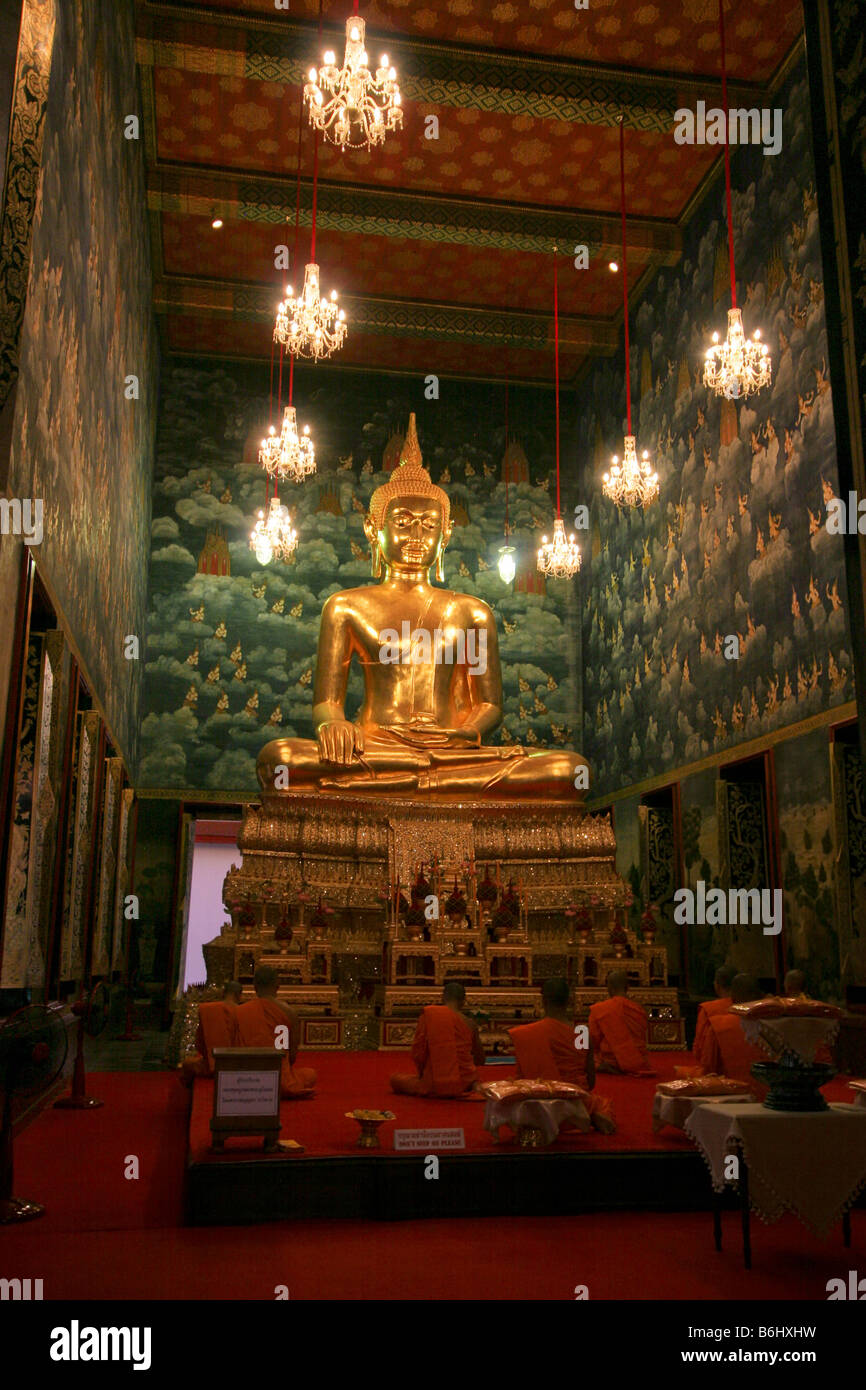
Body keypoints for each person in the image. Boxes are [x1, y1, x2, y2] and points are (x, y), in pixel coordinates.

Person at [510, 978, 615, 1132]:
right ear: (569, 1001)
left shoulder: (527, 1034)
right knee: (599, 1103)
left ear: (543, 1001)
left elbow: (522, 1078)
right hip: (576, 1099)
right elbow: (590, 1082)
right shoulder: (581, 1034)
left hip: (541, 1102)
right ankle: (585, 1114)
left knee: (511, 1097)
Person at [390, 981, 485, 1096]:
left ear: (443, 997)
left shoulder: (431, 1016)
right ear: (463, 1001)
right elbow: (480, 1059)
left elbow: (418, 1053)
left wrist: (424, 1074)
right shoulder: (470, 1024)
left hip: (435, 1081)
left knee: (395, 1080)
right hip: (464, 1082)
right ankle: (472, 1084)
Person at [235, 965, 317, 1098]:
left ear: (254, 986)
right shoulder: (288, 1012)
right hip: (279, 1079)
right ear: (277, 986)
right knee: (310, 1074)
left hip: (246, 1078)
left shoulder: (240, 1012)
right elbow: (291, 1056)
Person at [695, 973, 765, 1087]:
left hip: (734, 1093)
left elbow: (709, 1069)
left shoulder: (718, 1026)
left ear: (732, 998)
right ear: (760, 995)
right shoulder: (780, 1023)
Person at [588, 969, 653, 1075]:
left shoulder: (599, 1010)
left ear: (609, 988)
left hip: (610, 1063)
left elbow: (593, 1042)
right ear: (627, 987)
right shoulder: (639, 1010)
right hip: (638, 1063)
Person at [184, 981, 242, 1079]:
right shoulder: (243, 1012)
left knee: (186, 1064)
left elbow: (199, 1044)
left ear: (223, 993)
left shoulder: (208, 1010)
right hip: (235, 1066)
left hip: (211, 1066)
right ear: (239, 996)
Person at [693, 963, 737, 1060]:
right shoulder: (750, 1008)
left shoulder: (708, 1009)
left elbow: (699, 1050)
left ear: (716, 985)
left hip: (717, 1067)